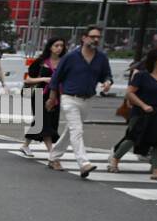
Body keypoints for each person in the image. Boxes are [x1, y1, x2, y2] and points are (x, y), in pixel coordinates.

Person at [47, 26, 113, 177]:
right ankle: (83, 163)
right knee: (77, 130)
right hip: (69, 98)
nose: (96, 39)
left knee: (71, 130)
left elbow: (107, 75)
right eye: (93, 36)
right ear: (84, 38)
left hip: (87, 99)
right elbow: (56, 78)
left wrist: (108, 82)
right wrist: (52, 98)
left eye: (98, 37)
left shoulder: (101, 58)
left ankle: (53, 157)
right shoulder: (71, 57)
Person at [109, 47, 157, 183]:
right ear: (155, 60)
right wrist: (143, 105)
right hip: (142, 113)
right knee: (133, 138)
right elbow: (130, 93)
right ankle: (114, 160)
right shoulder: (142, 75)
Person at [21, 38, 65, 156]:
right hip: (40, 94)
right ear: (50, 47)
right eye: (56, 45)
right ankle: (52, 152)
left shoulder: (64, 62)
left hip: (56, 96)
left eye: (61, 45)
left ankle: (25, 145)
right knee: (44, 123)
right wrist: (44, 79)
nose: (59, 48)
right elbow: (28, 79)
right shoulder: (41, 62)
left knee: (42, 122)